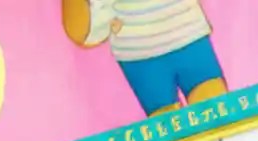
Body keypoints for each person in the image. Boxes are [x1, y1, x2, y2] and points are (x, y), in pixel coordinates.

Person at [61, 0, 229, 117]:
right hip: (141, 55)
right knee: (168, 129)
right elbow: (85, 29)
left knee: (216, 112)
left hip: (188, 34)